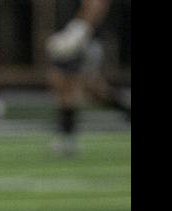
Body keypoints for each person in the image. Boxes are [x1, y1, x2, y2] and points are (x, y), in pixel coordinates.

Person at [47, 0, 131, 155]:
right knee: (84, 88)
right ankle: (66, 137)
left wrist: (78, 32)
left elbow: (97, 4)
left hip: (82, 38)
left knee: (72, 85)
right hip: (67, 33)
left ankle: (67, 138)